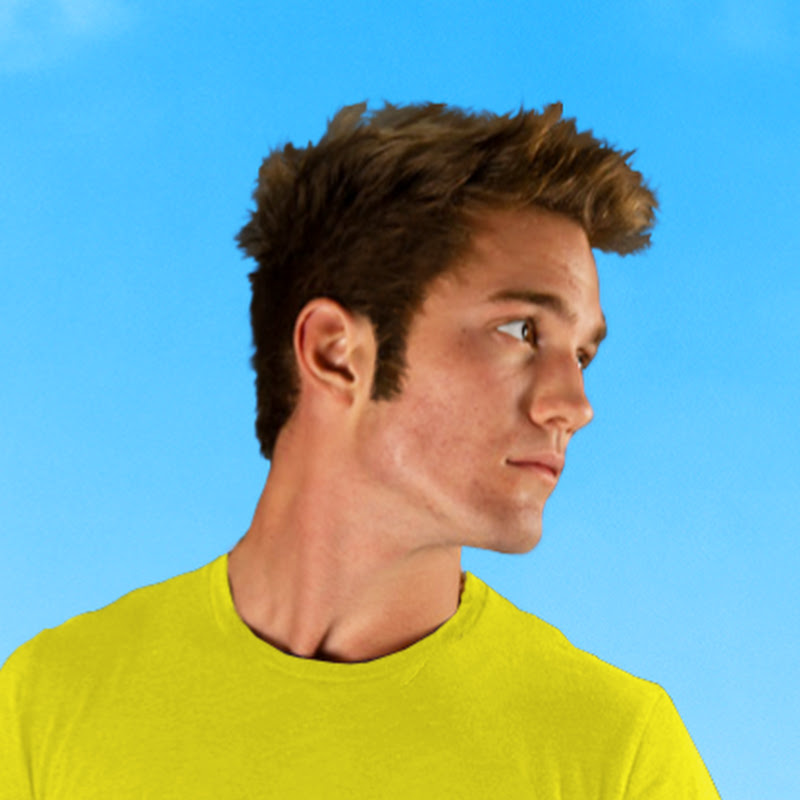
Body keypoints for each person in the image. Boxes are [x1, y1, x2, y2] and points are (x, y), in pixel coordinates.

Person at [0, 101, 721, 798]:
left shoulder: (617, 756)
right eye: (521, 331)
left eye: (583, 354)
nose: (574, 405)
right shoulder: (44, 706)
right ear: (335, 353)